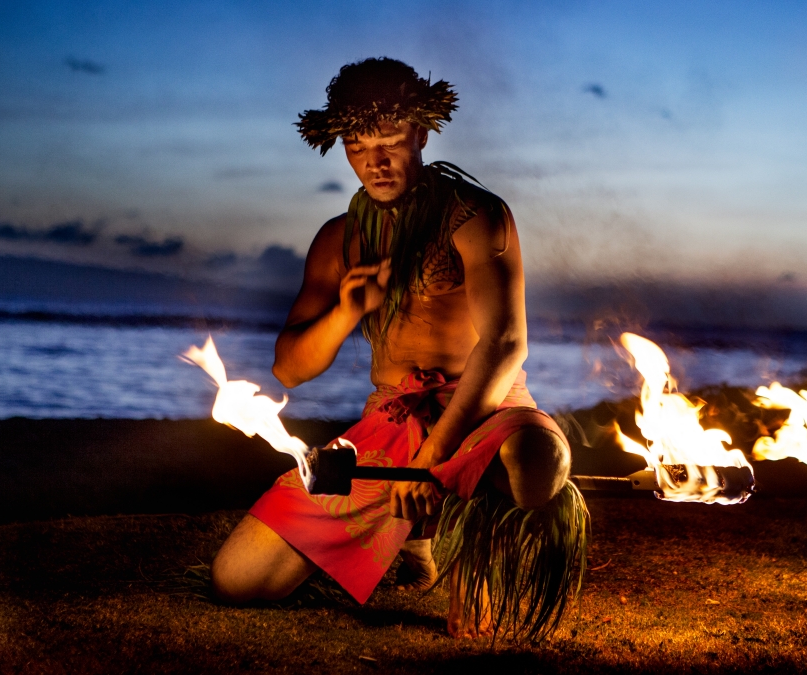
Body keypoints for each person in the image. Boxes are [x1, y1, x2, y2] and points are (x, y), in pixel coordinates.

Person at [208, 57, 587, 640]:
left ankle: (461, 547)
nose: (374, 161)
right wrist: (346, 310)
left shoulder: (475, 216)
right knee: (238, 580)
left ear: (422, 134)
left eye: (388, 141)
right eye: (357, 146)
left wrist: (432, 462)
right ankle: (414, 541)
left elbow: (506, 343)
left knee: (538, 463)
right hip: (390, 420)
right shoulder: (339, 238)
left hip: (487, 413)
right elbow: (290, 369)